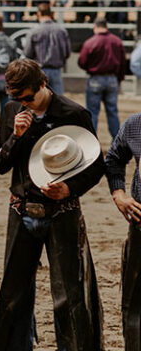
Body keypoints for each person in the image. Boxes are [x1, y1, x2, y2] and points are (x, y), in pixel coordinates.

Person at [0, 58, 105, 350]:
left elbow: (96, 166)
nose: (25, 103)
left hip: (62, 212)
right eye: (18, 98)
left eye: (29, 97)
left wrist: (70, 188)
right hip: (22, 209)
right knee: (14, 293)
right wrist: (15, 136)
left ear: (43, 83)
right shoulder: (12, 110)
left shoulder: (74, 113)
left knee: (69, 292)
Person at [105, 112, 141, 350]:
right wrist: (119, 195)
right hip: (140, 225)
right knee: (134, 304)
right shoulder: (135, 125)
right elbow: (114, 159)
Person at [78, 17, 126, 139]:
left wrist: (90, 68)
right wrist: (119, 78)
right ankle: (117, 141)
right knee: (112, 112)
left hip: (95, 79)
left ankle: (92, 141)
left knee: (93, 112)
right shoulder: (117, 41)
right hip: (112, 79)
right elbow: (123, 62)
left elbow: (82, 61)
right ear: (106, 26)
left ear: (95, 27)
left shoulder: (90, 42)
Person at [24, 3, 71, 97]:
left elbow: (27, 53)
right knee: (58, 102)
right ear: (51, 14)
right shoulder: (61, 30)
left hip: (40, 71)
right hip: (56, 70)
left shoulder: (34, 31)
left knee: (40, 102)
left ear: (38, 14)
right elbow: (67, 52)